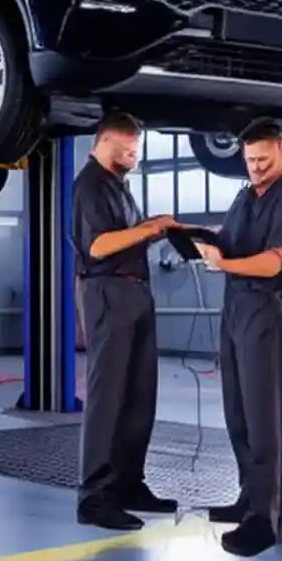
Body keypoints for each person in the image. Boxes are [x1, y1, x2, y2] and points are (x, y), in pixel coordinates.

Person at [195, 118, 282, 557]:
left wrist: (223, 265)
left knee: (266, 421)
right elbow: (230, 240)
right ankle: (249, 498)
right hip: (234, 308)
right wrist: (197, 239)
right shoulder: (245, 197)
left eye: (264, 159)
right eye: (250, 160)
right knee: (239, 414)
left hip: (264, 309)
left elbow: (271, 263)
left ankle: (268, 518)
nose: (257, 167)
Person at [71, 110, 180, 531]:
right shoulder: (90, 186)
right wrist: (149, 230)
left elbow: (127, 236)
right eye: (128, 150)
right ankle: (95, 497)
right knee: (108, 397)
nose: (135, 156)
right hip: (107, 292)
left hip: (135, 291)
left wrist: (156, 228)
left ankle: (129, 484)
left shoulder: (120, 186)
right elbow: (98, 245)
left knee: (138, 395)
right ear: (104, 142)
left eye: (138, 150)